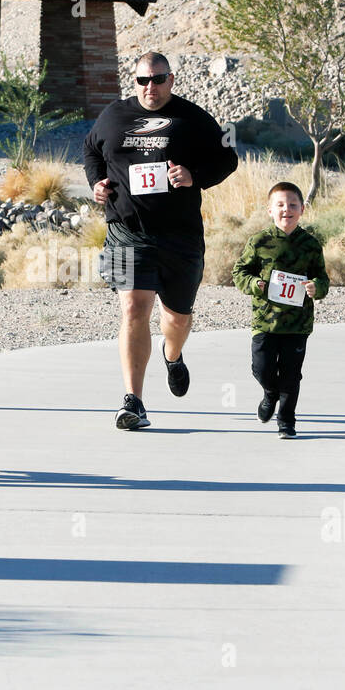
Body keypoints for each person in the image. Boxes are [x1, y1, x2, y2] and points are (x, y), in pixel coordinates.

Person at [84, 50, 238, 430]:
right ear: (134, 81)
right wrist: (96, 183)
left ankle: (173, 355)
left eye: (157, 79)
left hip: (180, 236)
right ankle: (133, 401)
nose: (149, 87)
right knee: (133, 309)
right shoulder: (114, 115)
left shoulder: (193, 118)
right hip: (126, 230)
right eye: (142, 80)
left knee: (177, 318)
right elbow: (91, 150)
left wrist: (194, 176)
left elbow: (227, 159)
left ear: (170, 80)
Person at [232, 182, 329, 439]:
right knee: (261, 369)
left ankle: (286, 421)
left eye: (293, 205)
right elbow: (239, 272)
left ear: (302, 209)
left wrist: (316, 287)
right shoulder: (259, 241)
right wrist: (254, 283)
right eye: (281, 205)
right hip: (265, 321)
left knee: (291, 375)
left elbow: (322, 278)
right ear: (270, 210)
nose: (287, 209)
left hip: (297, 324)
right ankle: (269, 394)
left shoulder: (310, 244)